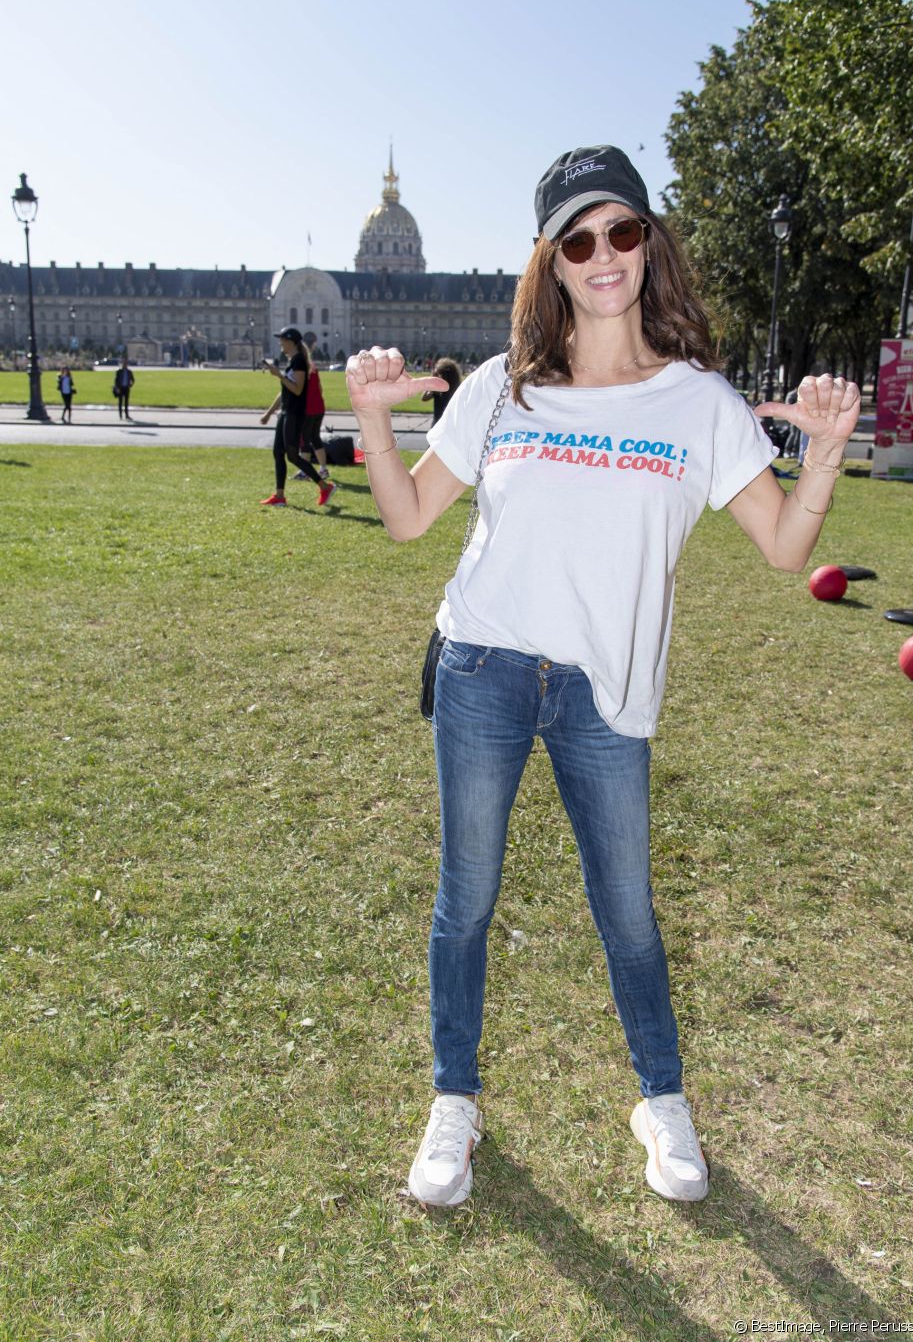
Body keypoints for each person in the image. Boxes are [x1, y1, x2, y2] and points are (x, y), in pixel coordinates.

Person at [345, 144, 861, 1211]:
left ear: (647, 242)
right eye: (576, 240)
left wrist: (819, 458)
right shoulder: (501, 386)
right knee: (465, 900)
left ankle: (659, 1101)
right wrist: (371, 415)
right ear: (552, 262)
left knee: (626, 911)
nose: (602, 255)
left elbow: (779, 548)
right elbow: (405, 521)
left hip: (603, 696)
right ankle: (453, 1102)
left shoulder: (698, 403)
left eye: (620, 230)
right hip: (482, 663)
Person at [259, 327, 326, 507]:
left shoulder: (298, 362)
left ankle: (324, 486)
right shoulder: (292, 361)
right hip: (286, 413)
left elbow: (297, 389)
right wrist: (268, 413)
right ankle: (279, 496)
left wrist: (279, 375)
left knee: (292, 456)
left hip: (295, 415)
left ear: (291, 342)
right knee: (278, 453)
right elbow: (284, 393)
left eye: (282, 340)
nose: (280, 343)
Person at [293, 360, 337, 505]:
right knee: (314, 437)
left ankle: (305, 471)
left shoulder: (299, 367)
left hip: (308, 408)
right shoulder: (313, 366)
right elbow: (319, 387)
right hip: (319, 406)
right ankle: (323, 469)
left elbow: (297, 390)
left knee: (304, 439)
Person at [420, 356, 462, 425]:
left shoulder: (439, 389)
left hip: (439, 424)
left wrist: (431, 381)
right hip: (449, 424)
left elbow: (424, 397)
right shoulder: (456, 389)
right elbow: (424, 398)